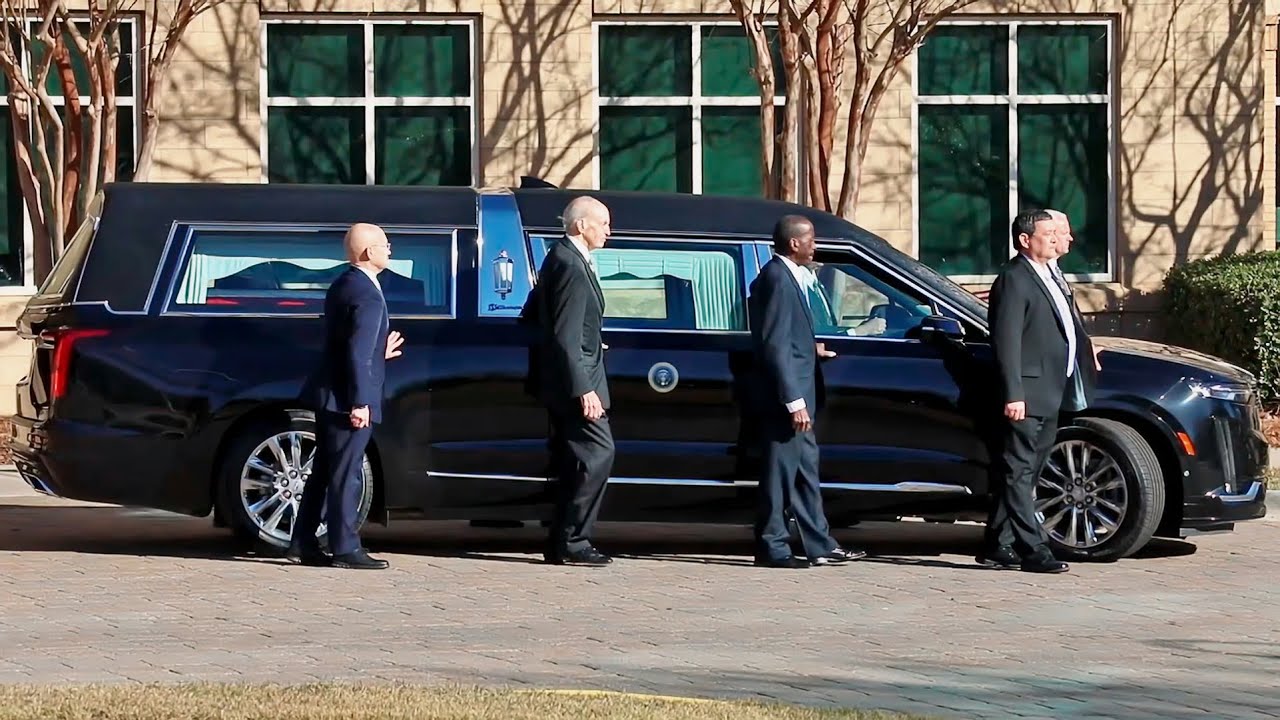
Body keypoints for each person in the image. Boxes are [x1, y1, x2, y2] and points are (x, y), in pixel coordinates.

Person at [748, 214, 866, 569]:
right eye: (811, 240)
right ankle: (772, 546)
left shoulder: (789, 277)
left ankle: (820, 543)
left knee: (804, 472)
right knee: (779, 474)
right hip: (788, 400)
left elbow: (787, 336)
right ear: (795, 243)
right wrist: (794, 401)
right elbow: (773, 344)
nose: (816, 246)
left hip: (800, 393)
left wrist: (810, 349)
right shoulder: (777, 279)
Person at [291, 223, 405, 570]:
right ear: (369, 253)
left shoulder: (344, 284)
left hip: (330, 394)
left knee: (325, 470)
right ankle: (345, 547)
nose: (390, 251)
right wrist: (361, 401)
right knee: (346, 473)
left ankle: (303, 542)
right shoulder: (367, 293)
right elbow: (356, 352)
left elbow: (348, 343)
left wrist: (377, 352)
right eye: (386, 245)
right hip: (346, 399)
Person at [980, 209, 1071, 574]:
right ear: (1025, 240)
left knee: (1028, 471)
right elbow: (1006, 341)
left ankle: (997, 544)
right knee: (1018, 471)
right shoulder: (1015, 279)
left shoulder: (1050, 274)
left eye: (1055, 232)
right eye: (1046, 233)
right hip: (1027, 395)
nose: (1053, 237)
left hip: (1051, 390)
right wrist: (1012, 393)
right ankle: (1033, 549)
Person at [527, 196, 616, 566]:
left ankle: (562, 540)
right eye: (604, 224)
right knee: (599, 454)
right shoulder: (571, 265)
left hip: (571, 373)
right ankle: (574, 540)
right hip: (577, 383)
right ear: (582, 225)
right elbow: (564, 335)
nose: (609, 231)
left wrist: (592, 339)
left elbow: (539, 313)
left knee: (575, 460)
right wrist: (584, 389)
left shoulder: (561, 257)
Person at [1046, 208, 1102, 381]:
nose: (1070, 238)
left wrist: (1086, 344)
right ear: (1050, 236)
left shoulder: (1055, 272)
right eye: (1064, 233)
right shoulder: (1033, 277)